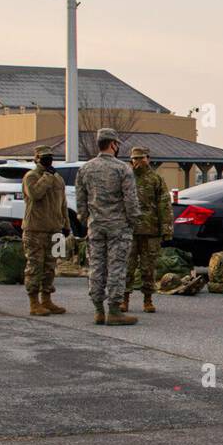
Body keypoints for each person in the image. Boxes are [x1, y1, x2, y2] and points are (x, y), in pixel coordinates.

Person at [78, 129, 142, 326]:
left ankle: (98, 310)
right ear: (113, 144)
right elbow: (130, 200)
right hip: (118, 226)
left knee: (96, 266)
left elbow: (81, 202)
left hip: (95, 225)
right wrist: (133, 220)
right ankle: (114, 310)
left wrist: (86, 219)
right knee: (116, 266)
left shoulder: (86, 168)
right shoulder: (122, 169)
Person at [20, 146, 71, 317]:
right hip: (35, 230)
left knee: (50, 266)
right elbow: (35, 194)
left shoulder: (58, 178)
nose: (48, 160)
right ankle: (34, 302)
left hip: (54, 229)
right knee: (35, 266)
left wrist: (66, 225)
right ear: (36, 158)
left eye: (50, 157)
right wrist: (47, 176)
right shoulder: (31, 177)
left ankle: (47, 299)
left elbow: (63, 204)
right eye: (44, 157)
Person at [122, 146, 173, 314]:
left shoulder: (156, 179)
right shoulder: (126, 179)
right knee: (127, 266)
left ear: (148, 159)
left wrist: (166, 229)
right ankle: (124, 298)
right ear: (131, 160)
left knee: (148, 267)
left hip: (151, 231)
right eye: (136, 159)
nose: (139, 162)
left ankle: (148, 299)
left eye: (142, 158)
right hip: (130, 230)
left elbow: (164, 205)